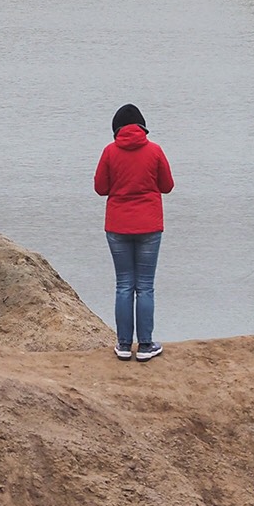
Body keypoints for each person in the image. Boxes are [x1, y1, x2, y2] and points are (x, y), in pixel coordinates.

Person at [94, 102, 173, 362]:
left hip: (117, 226)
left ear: (116, 129)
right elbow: (167, 186)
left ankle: (124, 345)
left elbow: (101, 188)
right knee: (146, 286)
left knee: (124, 285)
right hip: (149, 225)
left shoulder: (109, 152)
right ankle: (147, 345)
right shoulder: (155, 151)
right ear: (143, 127)